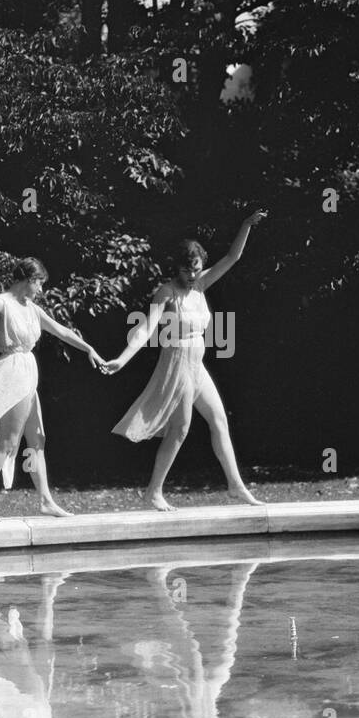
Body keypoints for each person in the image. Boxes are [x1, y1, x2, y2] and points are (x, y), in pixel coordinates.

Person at [102, 211, 266, 510]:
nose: (192, 275)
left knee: (219, 421)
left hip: (196, 365)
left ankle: (235, 486)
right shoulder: (166, 292)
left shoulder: (201, 286)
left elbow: (232, 257)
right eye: (187, 270)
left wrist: (245, 225)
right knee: (180, 430)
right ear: (177, 268)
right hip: (176, 363)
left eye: (196, 269)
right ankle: (153, 492)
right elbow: (146, 329)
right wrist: (122, 360)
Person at [0, 258, 104, 521]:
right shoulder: (0, 303)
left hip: (27, 371)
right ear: (28, 279)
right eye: (39, 283)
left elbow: (61, 331)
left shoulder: (33, 309)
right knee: (9, 441)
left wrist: (89, 349)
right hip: (11, 372)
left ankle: (46, 501)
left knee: (36, 439)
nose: (41, 289)